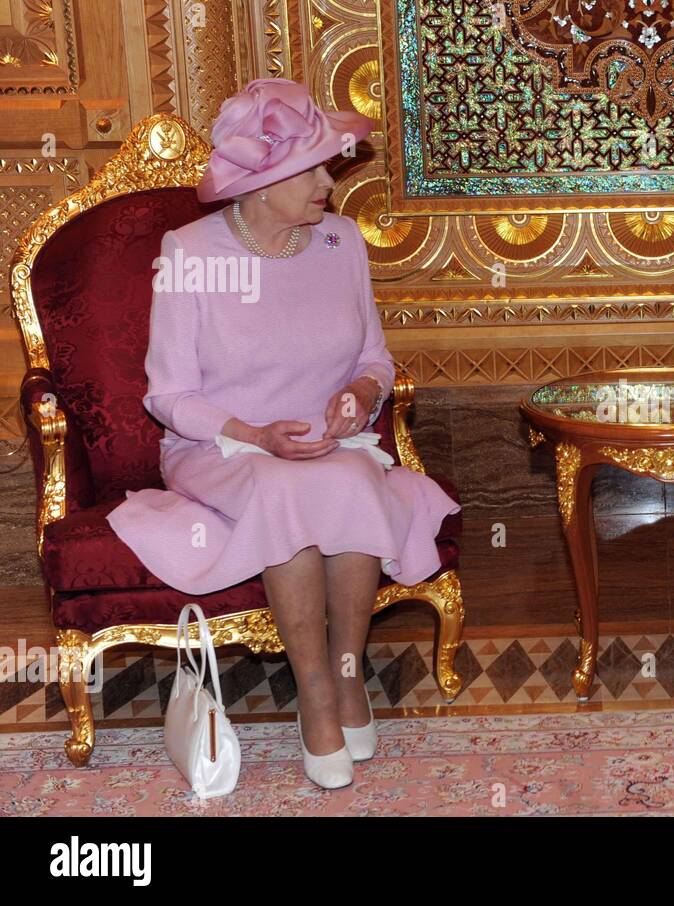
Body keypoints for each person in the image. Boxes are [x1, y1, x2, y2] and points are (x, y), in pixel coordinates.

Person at [107, 79, 462, 790]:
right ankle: (317, 698)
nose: (330, 182)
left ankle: (347, 671)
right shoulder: (189, 252)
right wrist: (255, 434)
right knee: (282, 492)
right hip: (222, 446)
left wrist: (358, 397)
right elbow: (167, 395)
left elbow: (374, 360)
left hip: (332, 444)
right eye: (315, 169)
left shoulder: (342, 243)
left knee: (356, 480)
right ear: (264, 184)